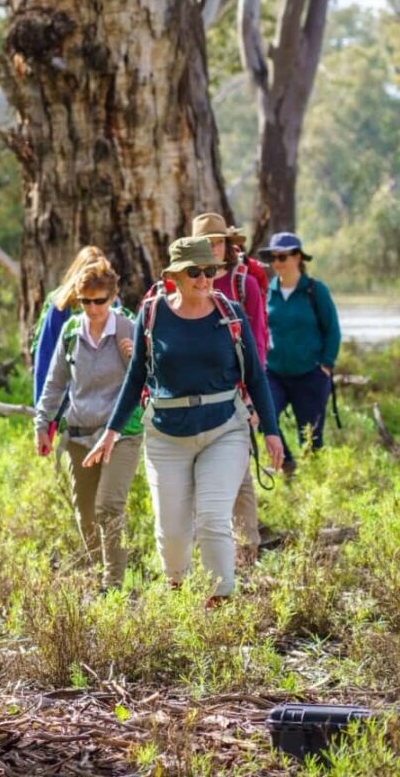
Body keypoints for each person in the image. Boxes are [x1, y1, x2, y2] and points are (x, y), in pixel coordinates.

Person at [85, 236, 284, 605]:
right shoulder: (153, 313)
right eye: (195, 271)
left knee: (212, 519)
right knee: (173, 532)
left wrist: (271, 431)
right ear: (174, 275)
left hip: (225, 429)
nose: (205, 278)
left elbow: (255, 376)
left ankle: (220, 601)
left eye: (210, 270)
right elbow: (136, 378)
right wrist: (111, 431)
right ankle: (178, 594)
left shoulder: (230, 314)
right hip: (165, 436)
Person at [32, 259, 139, 592]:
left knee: (109, 507)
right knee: (87, 514)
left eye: (100, 300)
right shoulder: (71, 333)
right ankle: (100, 570)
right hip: (79, 434)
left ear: (112, 297)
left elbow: (150, 379)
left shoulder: (126, 329)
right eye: (86, 301)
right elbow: (54, 383)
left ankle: (113, 585)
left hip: (120, 434)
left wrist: (137, 356)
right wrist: (42, 424)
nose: (93, 308)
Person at [192, 213, 270, 567]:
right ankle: (200, 551)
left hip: (237, 395)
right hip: (191, 398)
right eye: (206, 243)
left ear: (228, 245)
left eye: (219, 242)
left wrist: (253, 397)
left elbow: (260, 344)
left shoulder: (243, 285)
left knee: (238, 475)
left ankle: (246, 549)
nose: (214, 249)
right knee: (193, 475)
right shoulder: (182, 286)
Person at [259, 231, 341, 474]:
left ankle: (315, 483)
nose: (277, 264)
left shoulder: (315, 291)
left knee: (311, 436)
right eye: (273, 258)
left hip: (310, 376)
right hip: (274, 374)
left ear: (298, 258)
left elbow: (332, 330)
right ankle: (287, 465)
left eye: (282, 257)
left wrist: (325, 365)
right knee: (265, 417)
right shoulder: (267, 292)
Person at [30, 245, 109, 408]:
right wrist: (43, 408)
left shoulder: (111, 302)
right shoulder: (62, 305)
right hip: (69, 396)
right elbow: (45, 356)